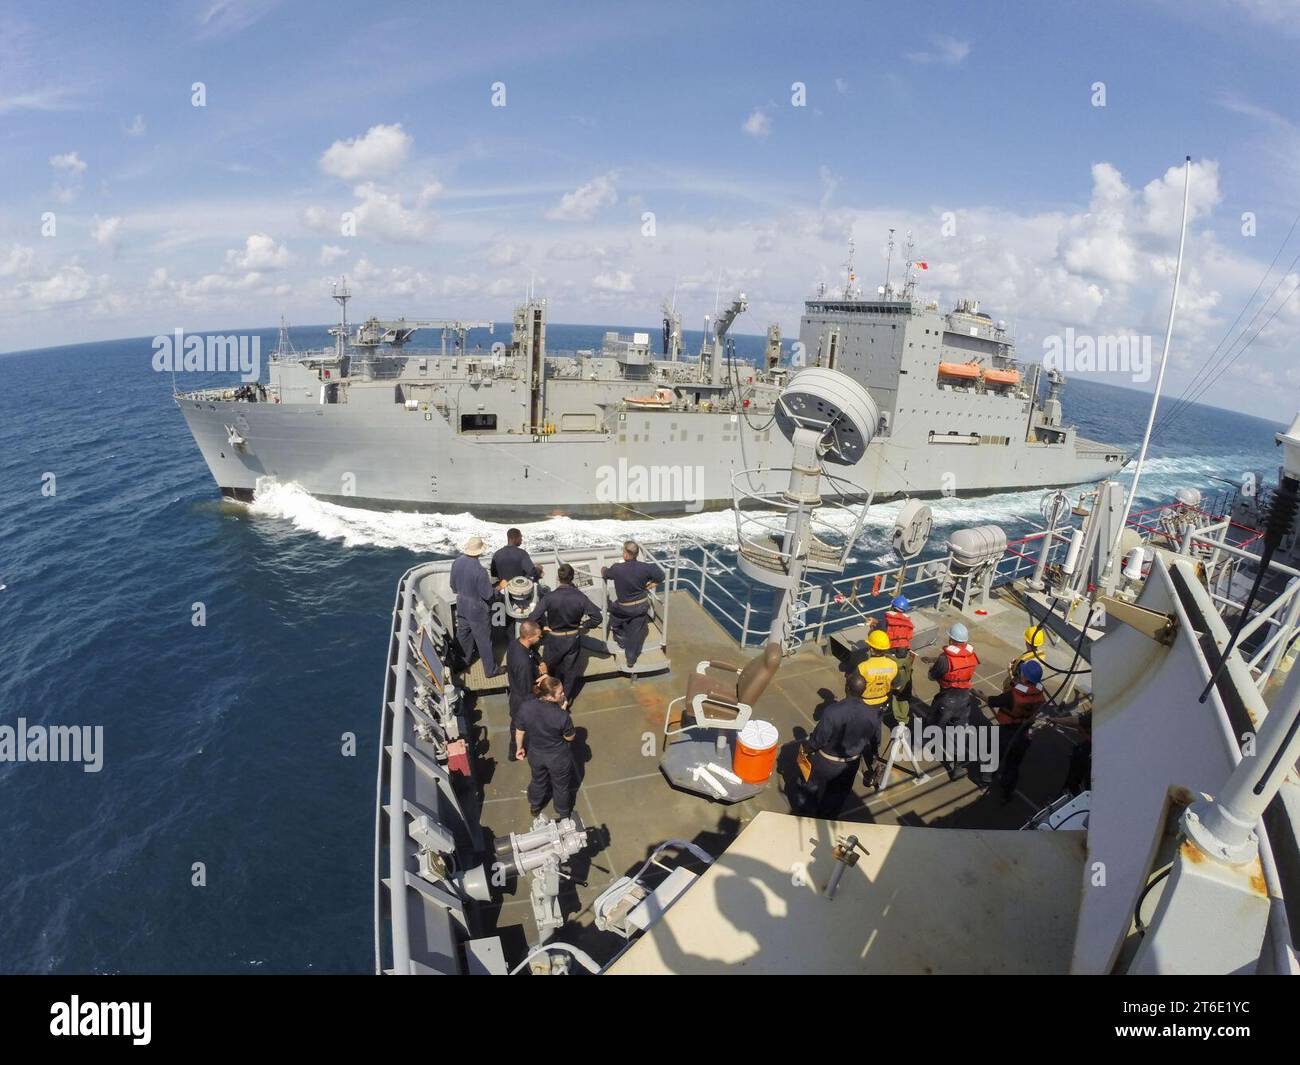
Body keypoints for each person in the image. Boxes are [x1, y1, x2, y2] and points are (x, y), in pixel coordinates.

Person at [799, 673, 880, 818]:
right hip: (850, 765)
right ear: (864, 690)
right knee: (837, 796)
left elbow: (819, 739)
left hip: (825, 762)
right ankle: (827, 819)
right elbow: (875, 741)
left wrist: (805, 749)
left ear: (846, 688)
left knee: (811, 788)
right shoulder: (873, 714)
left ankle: (806, 813)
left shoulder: (832, 711)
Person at [528, 563, 602, 700]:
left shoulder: (549, 597)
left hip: (554, 640)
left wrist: (542, 627)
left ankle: (549, 697)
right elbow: (597, 618)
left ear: (558, 578)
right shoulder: (580, 597)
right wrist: (583, 625)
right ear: (572, 578)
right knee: (570, 672)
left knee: (549, 670)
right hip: (572, 639)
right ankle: (564, 700)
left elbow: (533, 618)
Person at [515, 674, 578, 818]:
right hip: (558, 758)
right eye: (560, 693)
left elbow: (519, 731)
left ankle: (535, 806)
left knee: (538, 780)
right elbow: (570, 737)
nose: (563, 694)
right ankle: (563, 813)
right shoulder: (562, 716)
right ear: (549, 697)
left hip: (536, 754)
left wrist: (519, 748)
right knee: (561, 787)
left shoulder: (526, 707)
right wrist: (563, 710)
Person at [985, 658, 1045, 802]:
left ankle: (988, 777)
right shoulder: (1038, 694)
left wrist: (978, 693)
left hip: (1007, 732)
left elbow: (992, 701)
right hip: (1023, 733)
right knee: (1013, 765)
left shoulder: (1012, 696)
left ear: (1024, 676)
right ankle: (1007, 791)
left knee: (994, 754)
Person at [927, 621, 981, 780]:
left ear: (951, 639)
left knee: (934, 721)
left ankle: (927, 743)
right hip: (964, 698)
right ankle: (957, 767)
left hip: (947, 698)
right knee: (959, 732)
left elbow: (932, 676)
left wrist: (932, 667)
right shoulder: (971, 656)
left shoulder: (945, 659)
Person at [602, 540, 665, 669]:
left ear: (625, 554)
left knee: (614, 618)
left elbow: (606, 573)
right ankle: (630, 660)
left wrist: (603, 568)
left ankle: (620, 639)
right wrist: (653, 584)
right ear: (636, 554)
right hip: (641, 606)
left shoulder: (617, 568)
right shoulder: (646, 567)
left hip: (624, 608)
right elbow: (661, 575)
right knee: (635, 632)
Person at [450, 536, 506, 678]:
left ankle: (461, 663)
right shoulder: (480, 571)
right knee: (484, 641)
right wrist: (500, 587)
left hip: (461, 604)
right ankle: (490, 670)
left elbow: (453, 586)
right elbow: (488, 595)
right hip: (477, 610)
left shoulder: (457, 562)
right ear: (479, 552)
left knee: (463, 635)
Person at [505, 620, 546, 760]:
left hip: (516, 692)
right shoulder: (523, 664)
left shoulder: (515, 644)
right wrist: (541, 681)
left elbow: (531, 652)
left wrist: (540, 661)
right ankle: (515, 751)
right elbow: (526, 690)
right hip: (521, 700)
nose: (540, 638)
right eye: (538, 636)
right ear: (529, 637)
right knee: (519, 726)